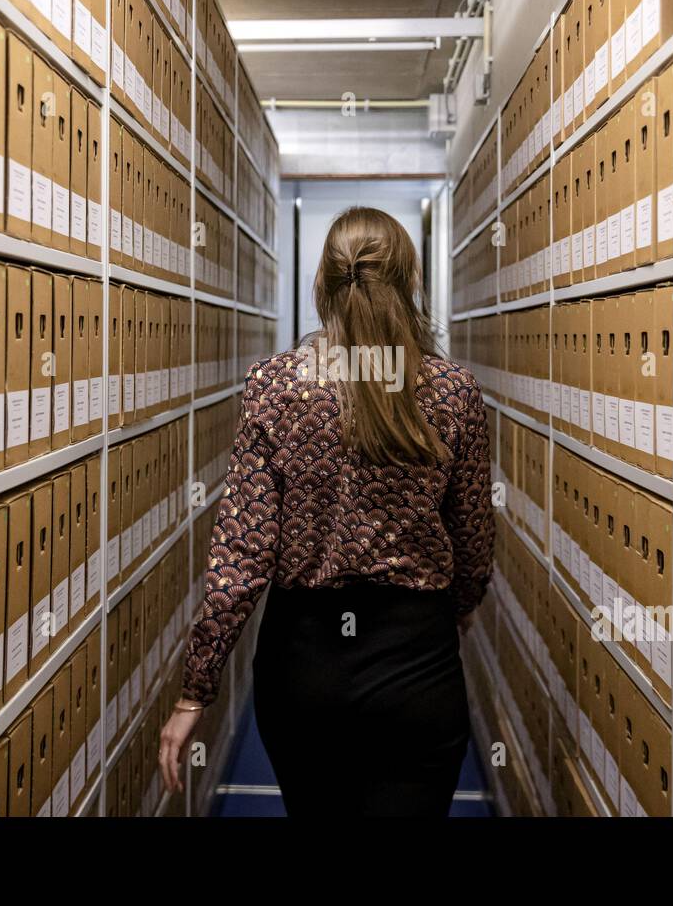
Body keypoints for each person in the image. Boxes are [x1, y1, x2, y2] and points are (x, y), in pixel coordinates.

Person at [159, 205, 494, 817]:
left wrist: (195, 691)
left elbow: (241, 554)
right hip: (415, 661)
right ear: (411, 282)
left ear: (321, 286)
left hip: (305, 664)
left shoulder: (274, 386)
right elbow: (472, 532)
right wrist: (462, 607)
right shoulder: (454, 392)